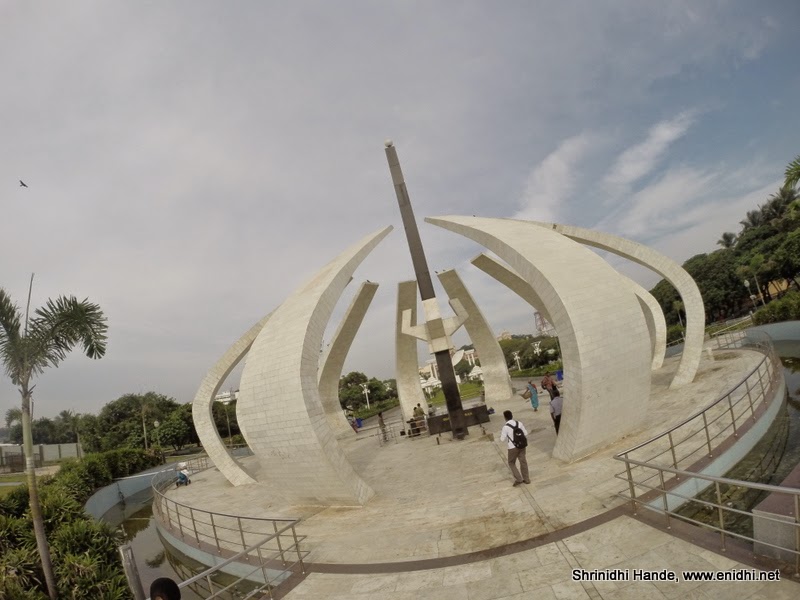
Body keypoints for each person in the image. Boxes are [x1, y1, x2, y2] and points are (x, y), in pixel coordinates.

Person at [499, 410, 530, 486]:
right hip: (522, 445)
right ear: (512, 416)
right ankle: (527, 479)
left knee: (511, 462)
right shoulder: (519, 423)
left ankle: (519, 479)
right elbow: (526, 433)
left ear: (505, 418)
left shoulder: (505, 427)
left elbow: (502, 439)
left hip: (512, 447)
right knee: (523, 461)